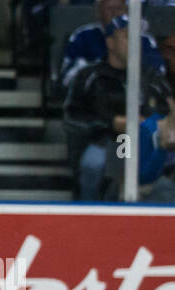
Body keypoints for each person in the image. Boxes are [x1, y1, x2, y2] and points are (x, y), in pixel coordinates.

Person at [65, 14, 172, 199]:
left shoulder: (152, 78)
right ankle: (87, 215)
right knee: (95, 163)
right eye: (127, 37)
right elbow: (72, 117)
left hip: (148, 143)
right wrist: (111, 123)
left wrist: (157, 124)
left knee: (162, 180)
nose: (135, 42)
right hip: (107, 141)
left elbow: (167, 112)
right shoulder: (90, 76)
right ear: (110, 42)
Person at [60, 0, 162, 88]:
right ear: (98, 11)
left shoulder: (144, 39)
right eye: (110, 8)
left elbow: (159, 75)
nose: (115, 13)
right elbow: (67, 78)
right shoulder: (83, 36)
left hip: (138, 95)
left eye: (120, 8)